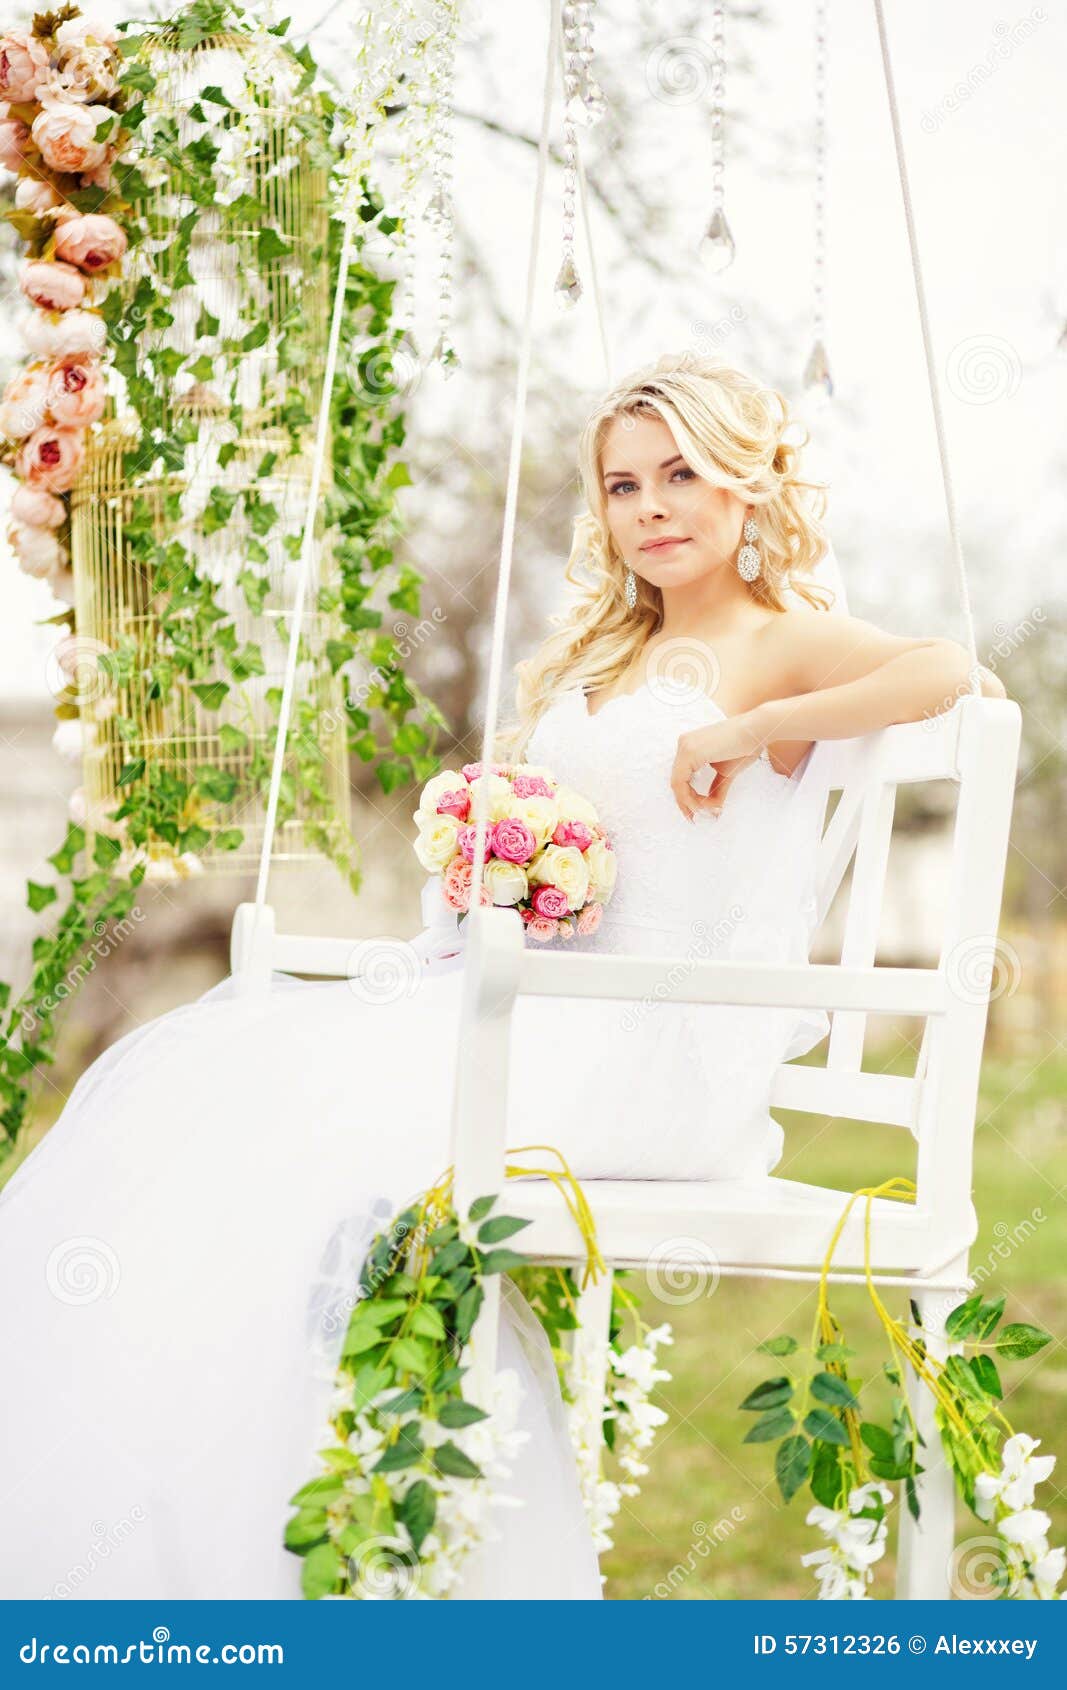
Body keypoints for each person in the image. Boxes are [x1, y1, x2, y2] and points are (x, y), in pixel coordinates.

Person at [0, 354, 1005, 1601]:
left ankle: (335, 1546)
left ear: (748, 485)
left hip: (657, 1046)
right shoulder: (613, 647)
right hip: (551, 1003)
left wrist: (746, 731)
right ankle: (236, 1535)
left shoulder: (778, 641)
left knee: (301, 1126)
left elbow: (948, 673)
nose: (652, 505)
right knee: (221, 1096)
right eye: (624, 483)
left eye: (683, 473)